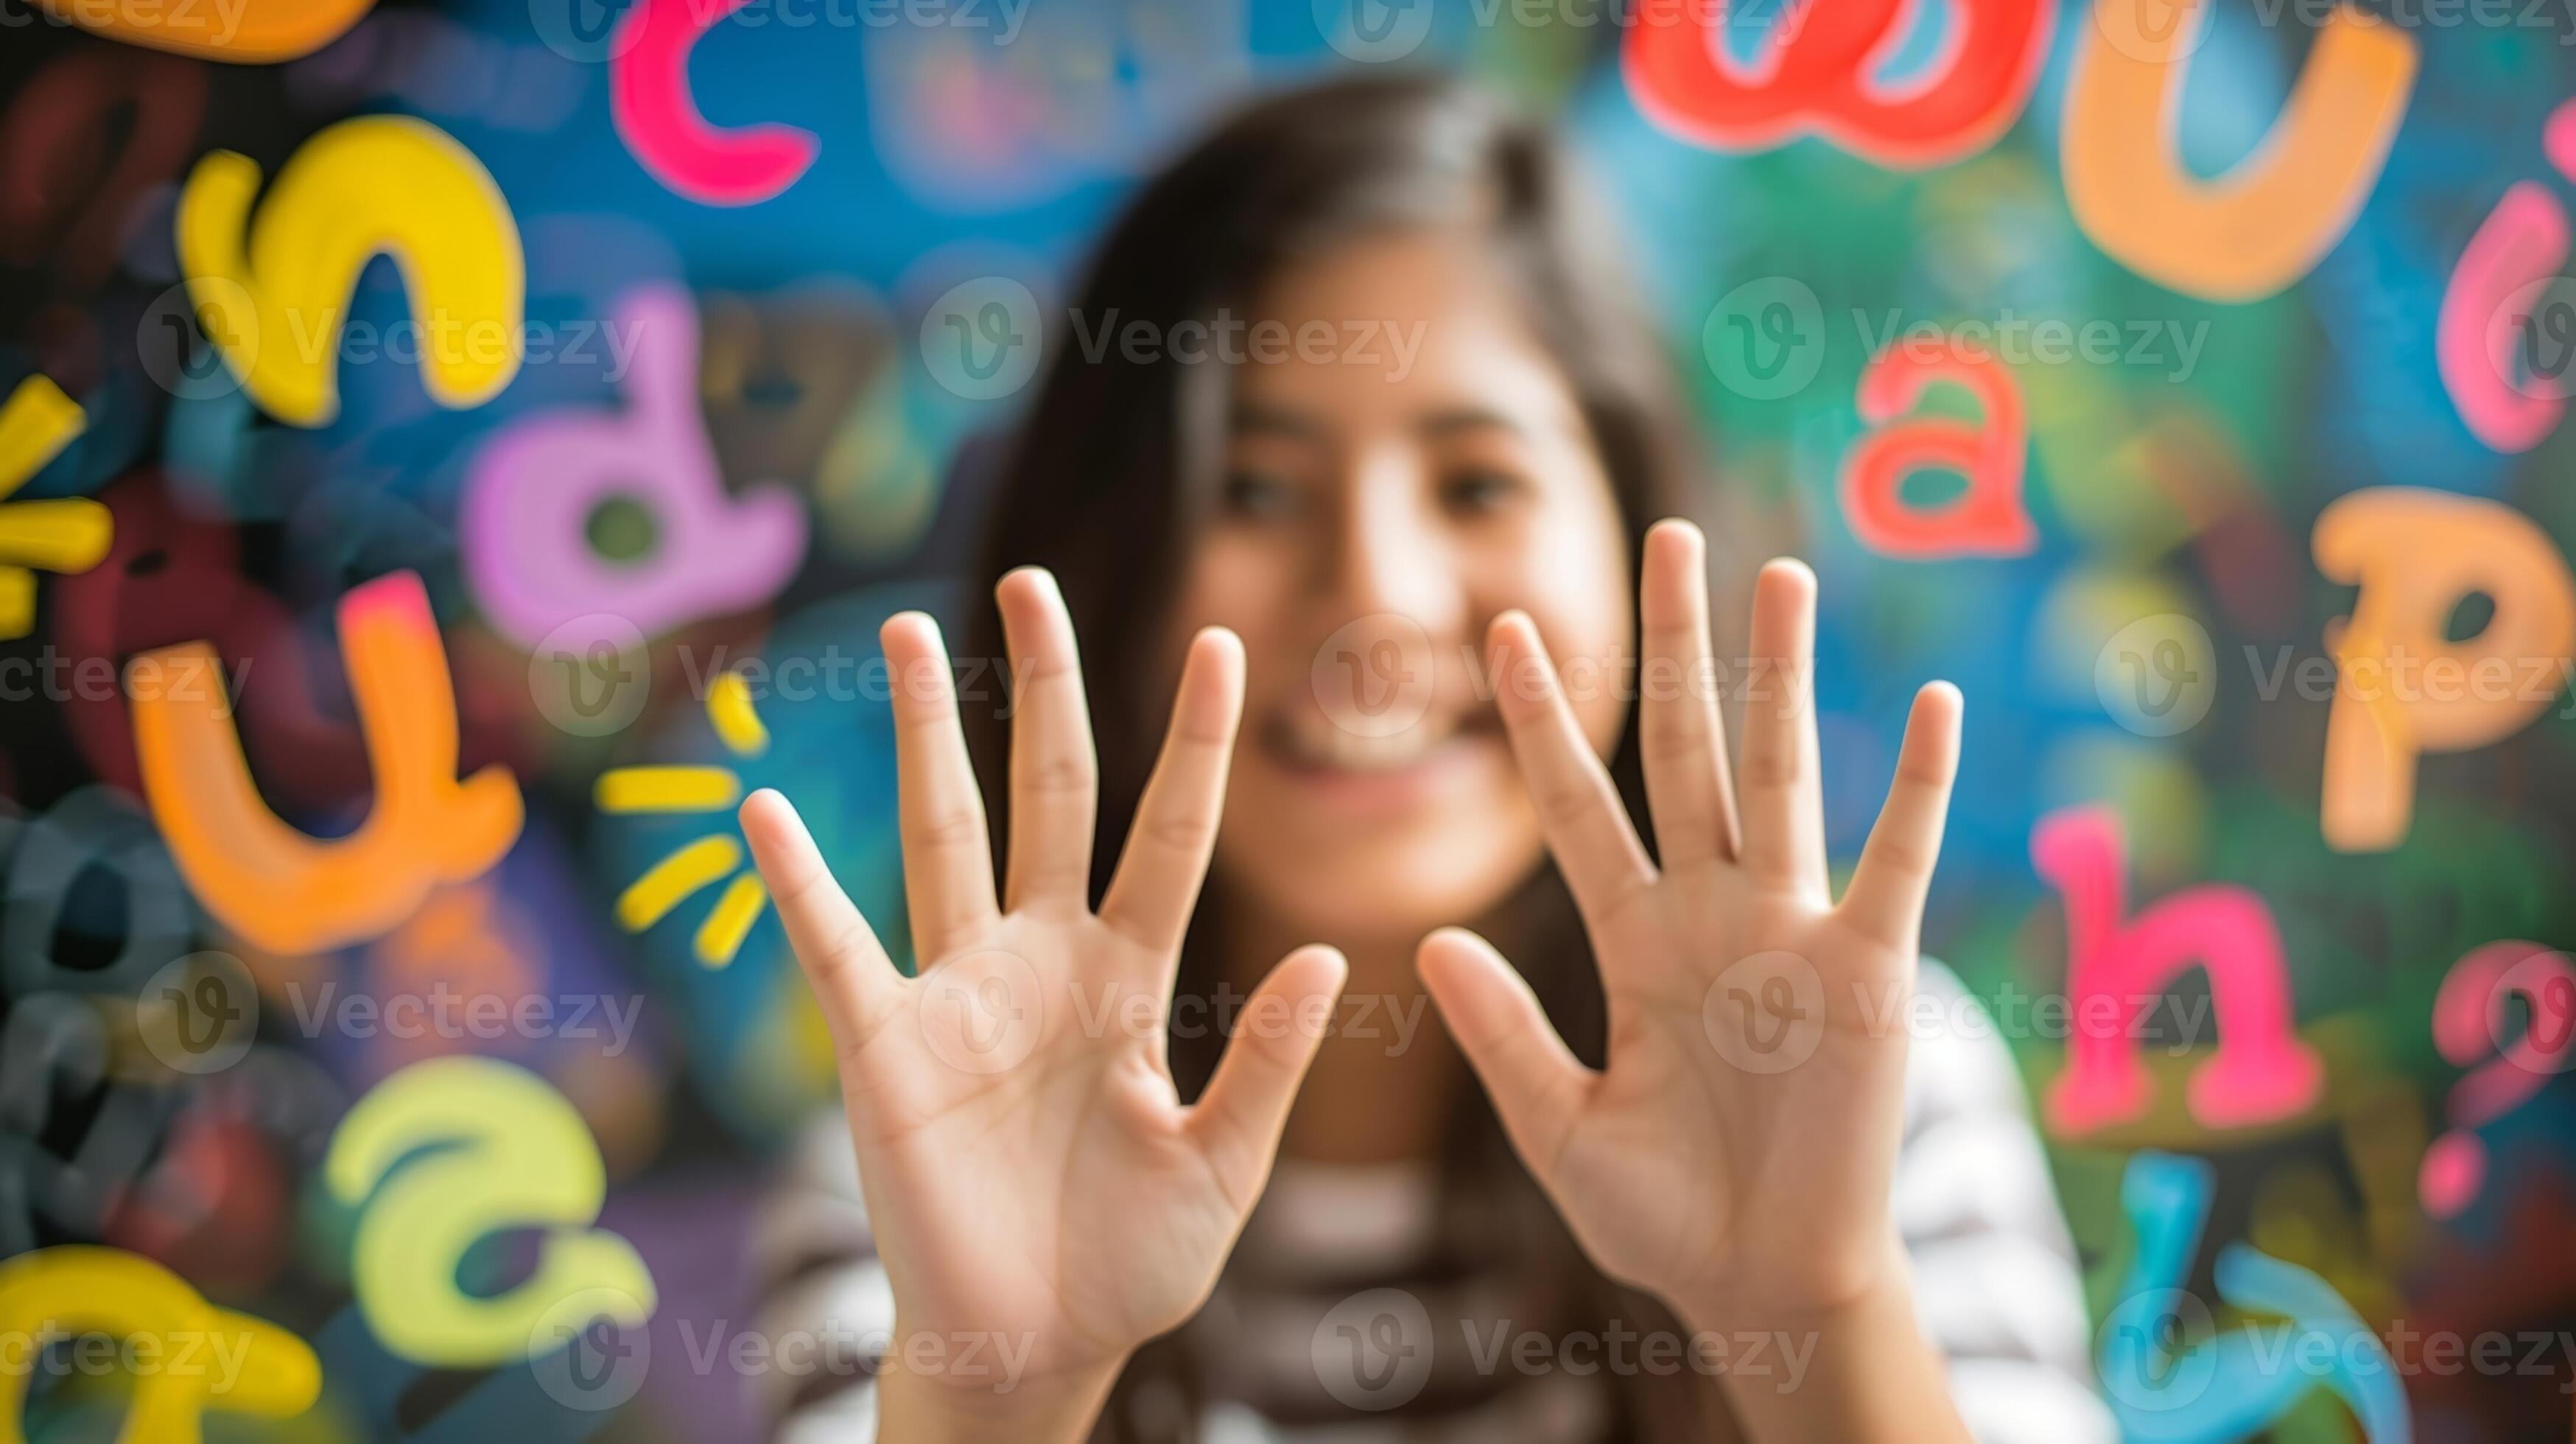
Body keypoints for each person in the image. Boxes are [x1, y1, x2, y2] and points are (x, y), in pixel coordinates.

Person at [737, 73, 2110, 1443]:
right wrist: (996, 1400)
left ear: (1631, 538)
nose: (1374, 612)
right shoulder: (922, 1186)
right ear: (1113, 560)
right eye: (1255, 489)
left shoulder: (1873, 1093)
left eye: (1475, 484)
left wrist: (1815, 1319)